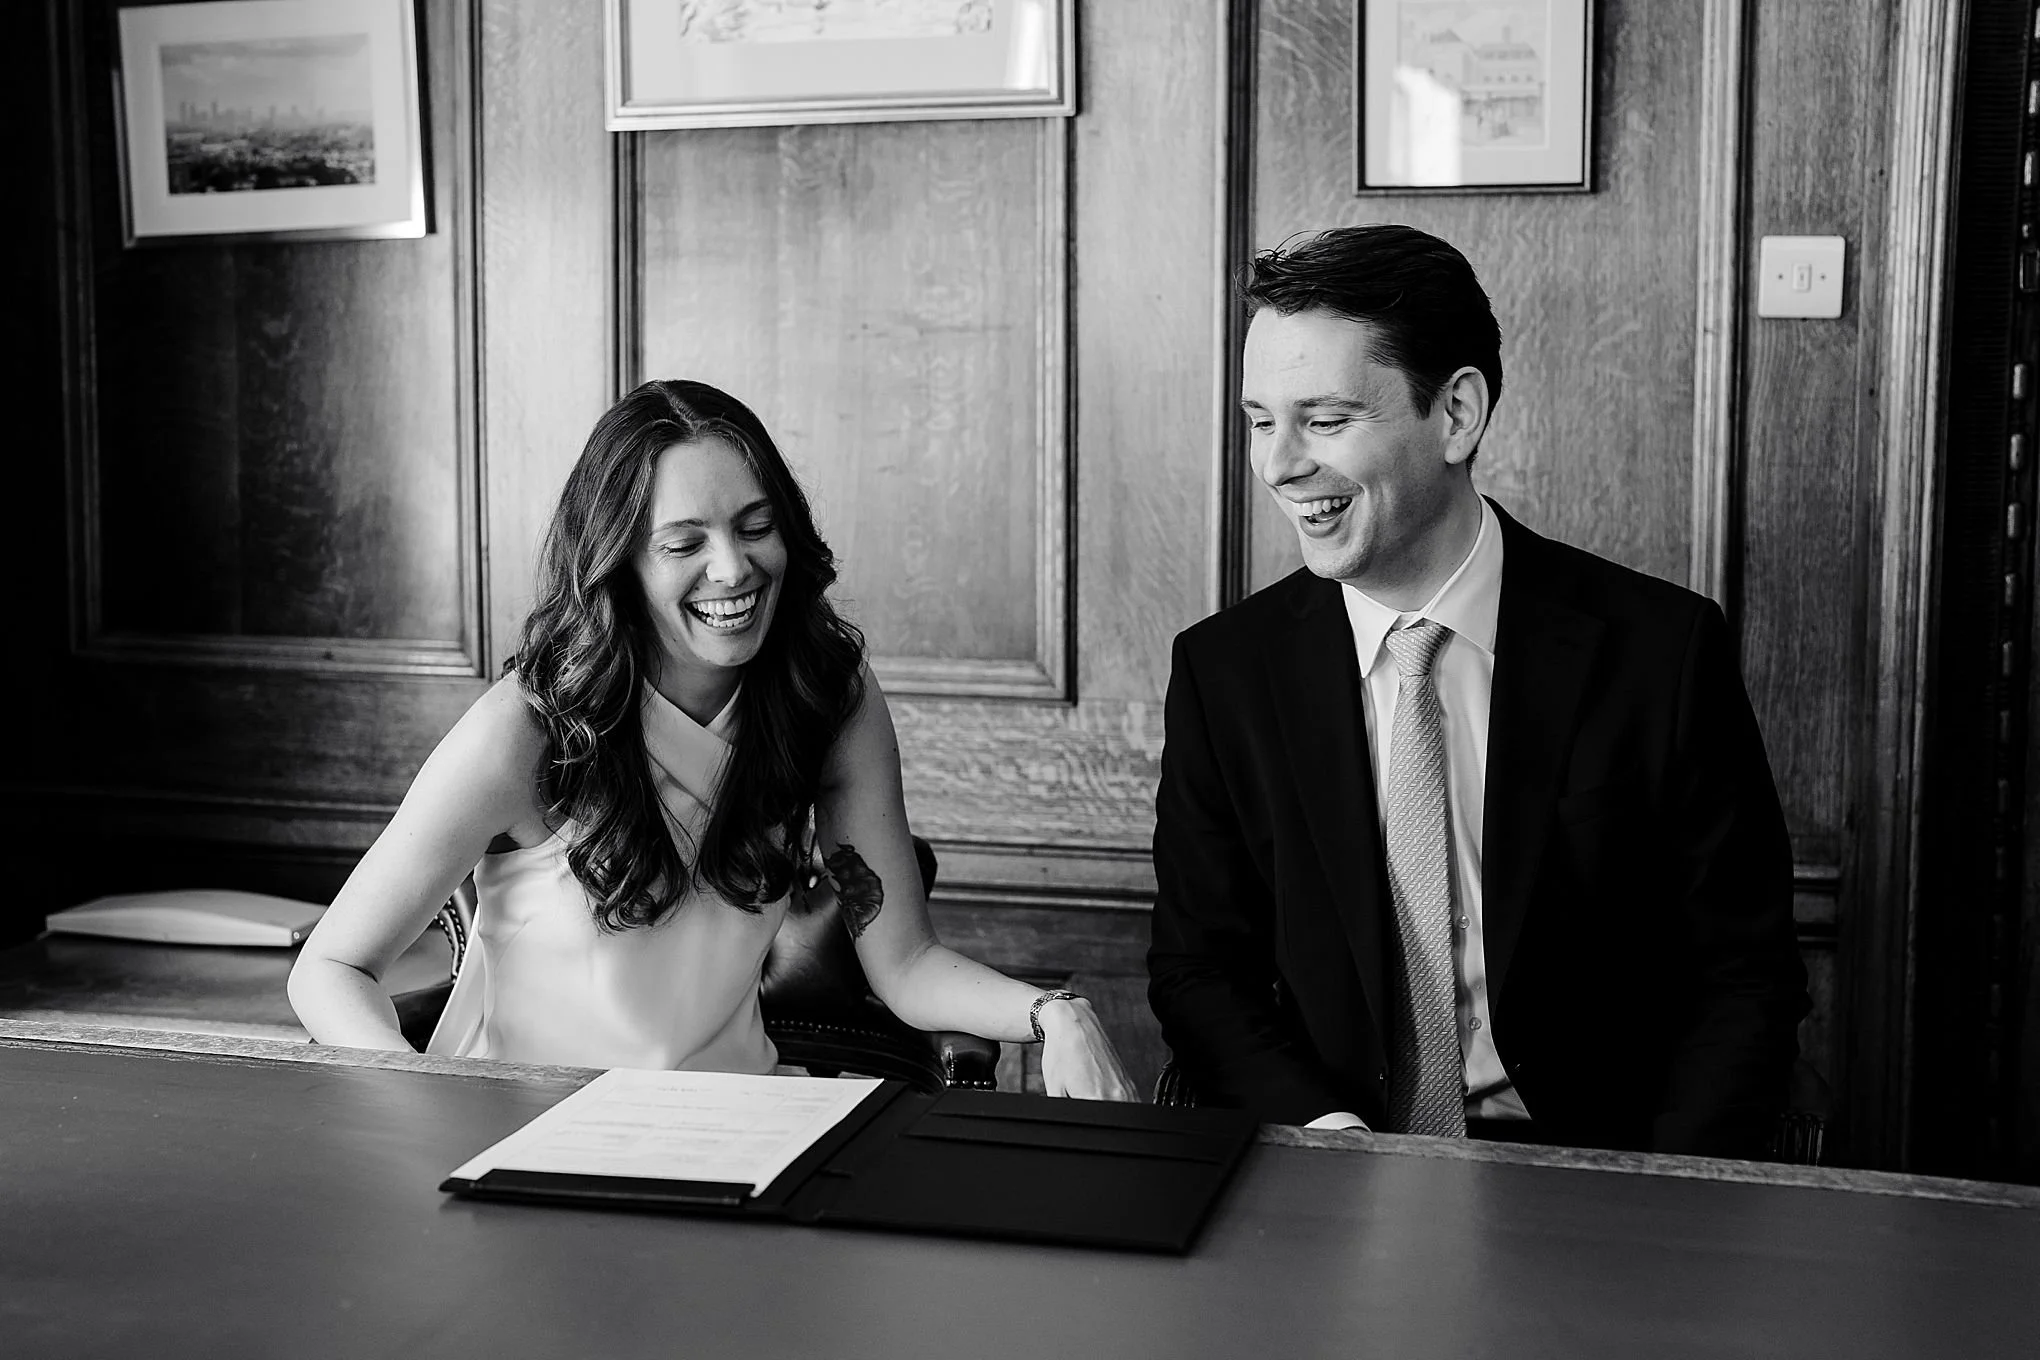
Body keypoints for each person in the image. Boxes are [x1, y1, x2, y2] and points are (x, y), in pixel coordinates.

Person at [1147, 225, 1809, 1156]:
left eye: (1325, 421)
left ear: (1457, 413)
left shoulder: (1660, 650)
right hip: (1333, 1173)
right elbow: (1198, 970)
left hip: (1603, 1177)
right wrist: (1328, 1141)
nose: (1277, 464)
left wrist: (1667, 1190)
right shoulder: (1226, 672)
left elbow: (1743, 974)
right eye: (1262, 420)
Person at [290, 379, 1136, 1100]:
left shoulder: (825, 695)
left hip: (739, 1133)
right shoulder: (525, 728)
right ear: (620, 563)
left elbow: (905, 963)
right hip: (524, 1139)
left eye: (755, 527)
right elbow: (330, 968)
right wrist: (421, 1108)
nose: (732, 569)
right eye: (684, 544)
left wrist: (1052, 1012)